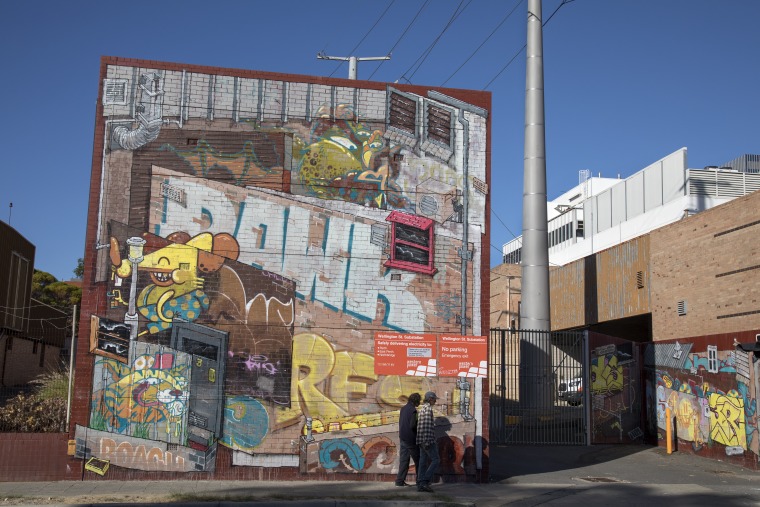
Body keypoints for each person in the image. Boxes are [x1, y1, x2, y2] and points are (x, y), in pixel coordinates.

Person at [415, 391, 440, 492]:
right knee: (436, 460)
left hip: (421, 440)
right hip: (427, 440)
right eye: (434, 399)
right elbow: (426, 427)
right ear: (430, 399)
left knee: (423, 461)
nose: (435, 401)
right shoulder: (428, 409)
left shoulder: (422, 409)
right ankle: (425, 481)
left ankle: (420, 482)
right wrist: (427, 441)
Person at [395, 392, 421, 487]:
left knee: (404, 461)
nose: (419, 403)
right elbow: (413, 425)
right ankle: (420, 481)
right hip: (411, 439)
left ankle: (399, 481)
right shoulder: (413, 411)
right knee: (419, 460)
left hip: (403, 438)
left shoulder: (403, 409)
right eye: (419, 401)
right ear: (416, 401)